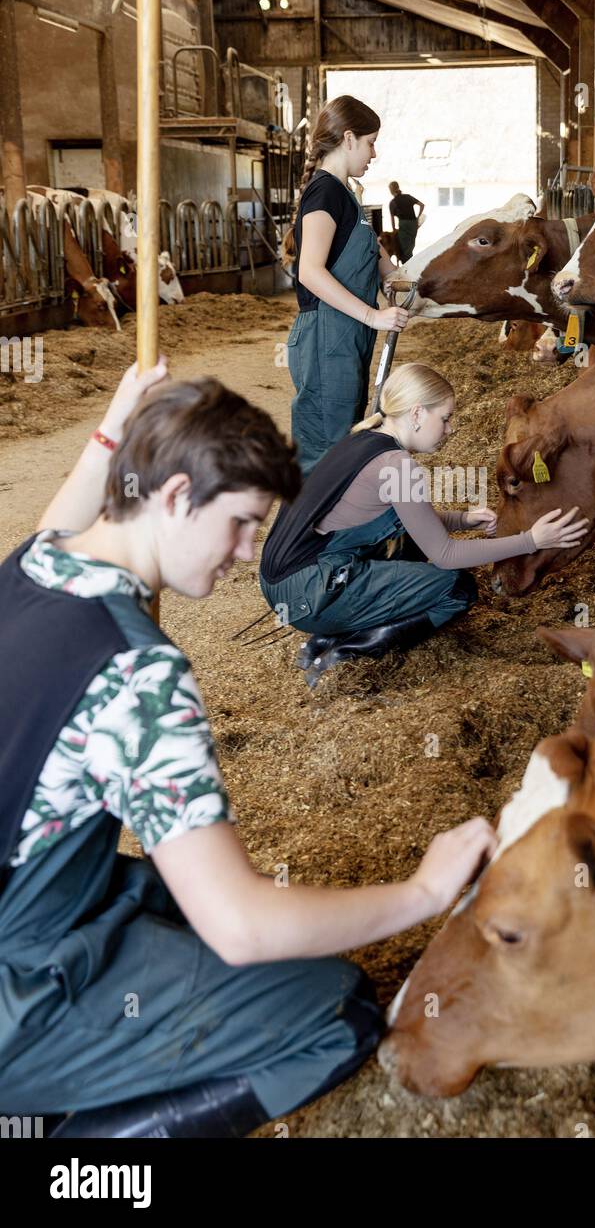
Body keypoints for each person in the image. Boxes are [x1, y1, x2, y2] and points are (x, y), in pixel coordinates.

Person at [0, 361, 496, 1138]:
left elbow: (79, 497)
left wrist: (121, 417)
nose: (243, 553)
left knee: (162, 907)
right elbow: (238, 924)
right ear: (170, 496)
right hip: (17, 980)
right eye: (239, 523)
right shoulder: (141, 674)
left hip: (27, 893)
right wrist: (425, 894)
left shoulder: (34, 569)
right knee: (339, 1013)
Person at [259, 363, 588, 687]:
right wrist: (531, 540)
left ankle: (322, 639)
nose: (449, 429)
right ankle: (345, 651)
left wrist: (463, 519)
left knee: (410, 545)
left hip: (289, 580)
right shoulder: (397, 465)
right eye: (445, 418)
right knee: (456, 589)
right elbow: (445, 554)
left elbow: (407, 520)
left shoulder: (363, 439)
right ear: (417, 414)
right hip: (309, 591)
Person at [287, 96, 409, 476]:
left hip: (343, 335)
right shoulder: (324, 193)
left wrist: (393, 274)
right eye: (371, 142)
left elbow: (366, 250)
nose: (374, 153)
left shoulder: (346, 195)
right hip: (326, 335)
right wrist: (373, 315)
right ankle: (308, 533)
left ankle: (337, 529)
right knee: (325, 454)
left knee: (344, 443)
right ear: (349, 138)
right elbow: (309, 271)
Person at [388, 180, 424, 261]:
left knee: (405, 249)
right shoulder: (408, 197)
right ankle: (409, 264)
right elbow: (422, 205)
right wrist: (418, 217)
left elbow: (392, 219)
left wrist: (394, 230)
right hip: (413, 224)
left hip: (404, 225)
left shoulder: (393, 203)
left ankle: (407, 266)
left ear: (391, 190)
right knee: (411, 246)